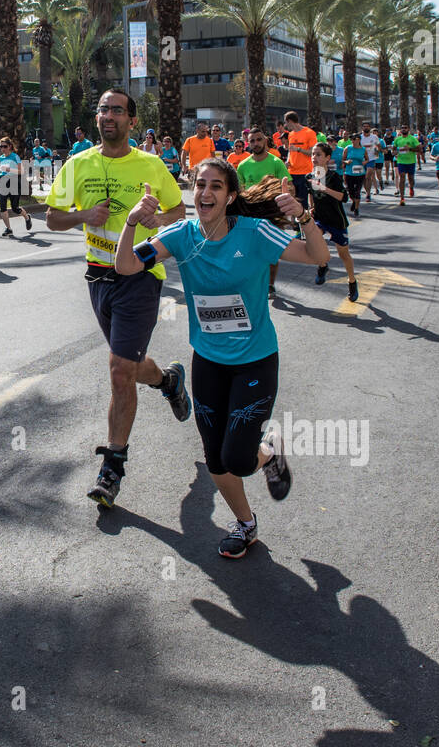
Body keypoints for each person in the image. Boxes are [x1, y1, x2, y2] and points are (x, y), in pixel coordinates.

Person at [115, 158, 329, 558]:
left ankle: (267, 451)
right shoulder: (180, 234)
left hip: (255, 360)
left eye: (216, 186)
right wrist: (130, 224)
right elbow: (126, 266)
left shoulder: (255, 232)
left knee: (239, 458)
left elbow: (318, 257)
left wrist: (303, 216)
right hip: (209, 361)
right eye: (200, 185)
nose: (206, 192)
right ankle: (246, 524)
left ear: (230, 197)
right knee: (216, 460)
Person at [45, 88, 190, 509]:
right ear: (97, 118)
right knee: (128, 366)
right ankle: (168, 380)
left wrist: (156, 217)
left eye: (118, 110)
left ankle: (112, 468)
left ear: (131, 120)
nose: (109, 116)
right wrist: (84, 216)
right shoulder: (77, 165)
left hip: (141, 273)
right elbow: (52, 217)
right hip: (98, 276)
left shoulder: (150, 164)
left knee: (118, 369)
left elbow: (178, 212)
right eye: (103, 109)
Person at [236, 128, 292, 298]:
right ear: (248, 143)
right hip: (250, 214)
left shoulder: (276, 163)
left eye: (259, 139)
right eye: (252, 141)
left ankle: (270, 285)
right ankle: (252, 282)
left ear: (265, 141)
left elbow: (287, 185)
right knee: (250, 251)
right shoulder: (243, 165)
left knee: (272, 251)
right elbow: (240, 191)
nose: (256, 143)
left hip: (272, 213)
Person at [308, 142, 358, 301]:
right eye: (313, 154)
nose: (314, 157)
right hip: (320, 219)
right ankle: (323, 266)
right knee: (314, 240)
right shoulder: (310, 176)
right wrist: (311, 207)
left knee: (344, 254)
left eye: (318, 154)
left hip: (336, 220)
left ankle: (352, 282)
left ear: (327, 158)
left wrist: (324, 188)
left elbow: (343, 198)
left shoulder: (333, 177)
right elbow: (311, 193)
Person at [0, 136, 33, 236]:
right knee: (2, 207)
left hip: (13, 182)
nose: (3, 149)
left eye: (5, 146)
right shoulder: (1, 157)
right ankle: (8, 229)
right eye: (1, 146)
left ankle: (27, 217)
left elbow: (21, 171)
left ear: (10, 146)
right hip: (2, 183)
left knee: (15, 208)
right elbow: (0, 170)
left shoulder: (14, 156)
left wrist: (8, 170)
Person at [282, 110, 316, 210]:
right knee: (293, 199)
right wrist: (288, 160)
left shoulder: (309, 133)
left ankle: (304, 223)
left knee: (303, 201)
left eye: (286, 122)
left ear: (290, 121)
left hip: (305, 172)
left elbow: (312, 152)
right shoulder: (291, 134)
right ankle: (296, 223)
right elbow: (290, 151)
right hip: (292, 172)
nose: (285, 125)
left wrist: (299, 149)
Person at [341, 131, 366, 218]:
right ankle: (354, 201)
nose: (352, 141)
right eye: (351, 139)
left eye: (354, 139)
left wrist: (364, 162)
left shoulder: (363, 149)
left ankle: (356, 208)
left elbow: (367, 159)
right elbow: (342, 159)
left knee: (357, 191)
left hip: (360, 173)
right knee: (350, 192)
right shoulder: (348, 148)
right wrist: (346, 161)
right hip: (349, 173)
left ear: (359, 140)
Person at [393, 122, 419, 205]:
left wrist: (410, 148)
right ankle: (402, 198)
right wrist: (394, 153)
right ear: (401, 130)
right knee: (402, 177)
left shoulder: (412, 139)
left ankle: (411, 188)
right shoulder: (397, 139)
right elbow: (393, 149)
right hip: (401, 161)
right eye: (402, 128)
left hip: (411, 161)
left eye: (405, 128)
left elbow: (419, 149)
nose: (404, 129)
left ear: (408, 129)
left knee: (411, 178)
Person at [360, 121, 382, 198]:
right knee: (364, 178)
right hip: (362, 159)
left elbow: (379, 146)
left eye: (367, 126)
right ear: (362, 128)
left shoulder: (374, 137)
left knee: (368, 175)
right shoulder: (360, 137)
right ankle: (367, 191)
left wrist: (377, 152)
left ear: (370, 128)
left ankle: (368, 193)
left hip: (371, 159)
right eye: (364, 126)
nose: (366, 127)